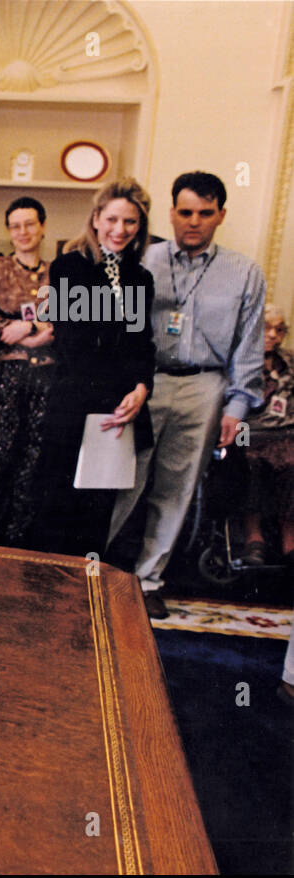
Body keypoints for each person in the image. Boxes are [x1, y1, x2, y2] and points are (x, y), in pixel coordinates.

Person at [107, 172, 266, 619]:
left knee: (175, 490)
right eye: (185, 212)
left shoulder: (245, 272)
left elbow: (248, 347)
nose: (193, 222)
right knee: (121, 482)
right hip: (144, 382)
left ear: (221, 216)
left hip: (204, 386)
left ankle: (149, 580)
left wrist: (236, 409)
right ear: (172, 212)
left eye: (205, 213)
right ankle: (90, 571)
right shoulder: (142, 260)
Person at [27, 179, 156, 559]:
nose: (120, 230)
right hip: (75, 403)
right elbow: (73, 341)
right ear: (96, 219)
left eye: (130, 222)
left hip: (119, 407)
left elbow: (142, 344)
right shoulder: (69, 267)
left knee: (99, 507)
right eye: (112, 219)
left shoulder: (141, 278)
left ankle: (85, 600)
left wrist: (141, 388)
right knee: (56, 501)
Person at [0, 197, 54, 547]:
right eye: (15, 225)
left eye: (30, 224)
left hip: (46, 380)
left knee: (33, 460)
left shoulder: (60, 272)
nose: (23, 232)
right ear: (8, 230)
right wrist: (35, 327)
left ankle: (19, 541)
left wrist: (25, 328)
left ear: (43, 227)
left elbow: (64, 325)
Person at [238, 305, 294, 564]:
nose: (273, 335)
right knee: (251, 463)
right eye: (267, 328)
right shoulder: (240, 360)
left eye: (280, 330)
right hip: (249, 431)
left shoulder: (290, 362)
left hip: (285, 432)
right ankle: (253, 536)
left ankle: (289, 536)